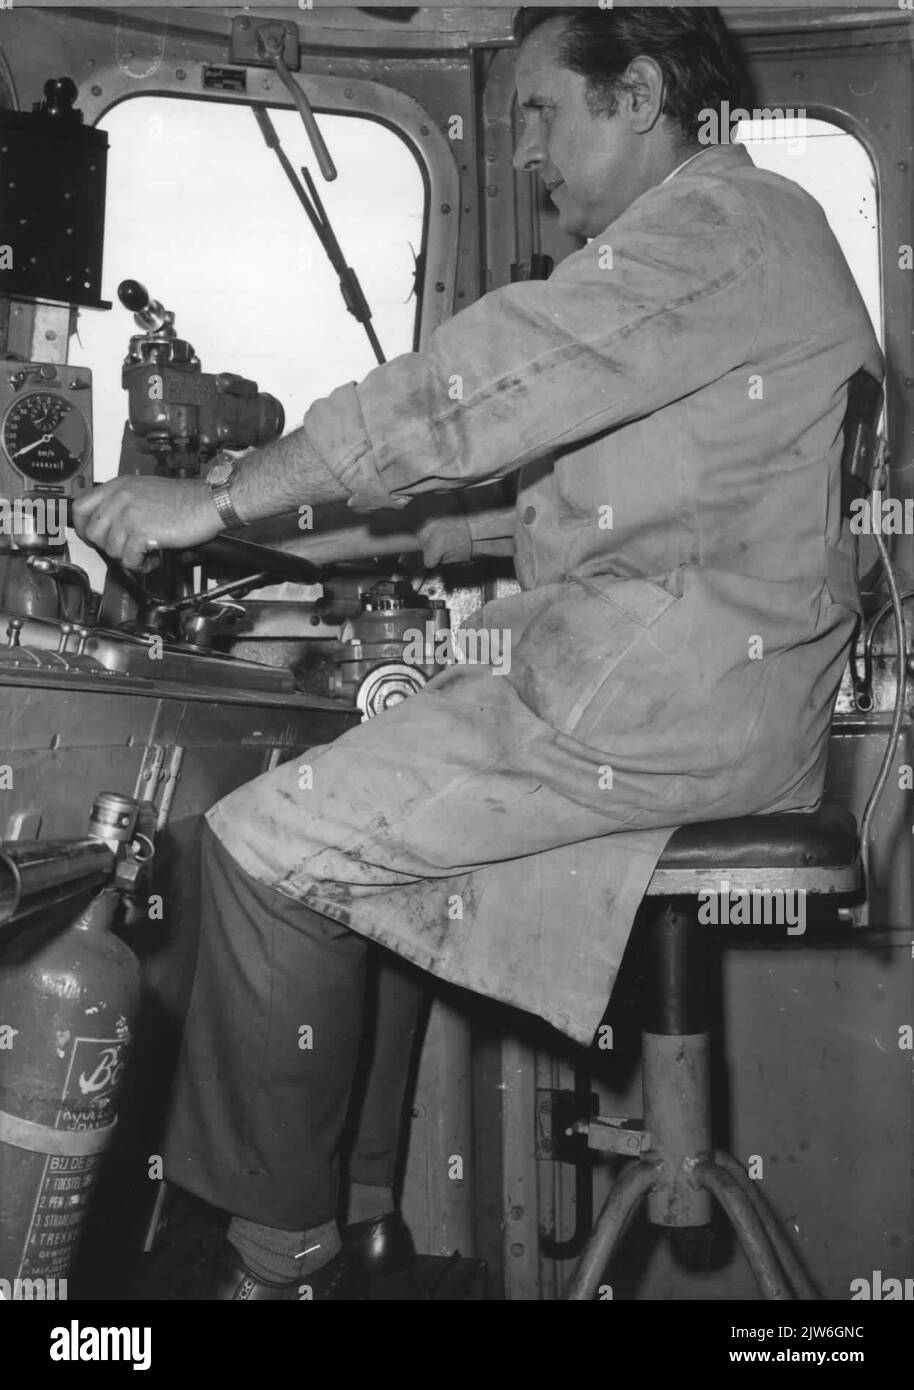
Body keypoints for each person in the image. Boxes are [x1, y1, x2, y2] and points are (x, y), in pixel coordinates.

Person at [73, 7, 881, 1300]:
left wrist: (217, 503)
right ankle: (371, 1220)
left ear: (644, 96)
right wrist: (266, 526)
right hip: (706, 699)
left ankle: (276, 1265)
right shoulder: (745, 241)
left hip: (657, 710)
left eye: (545, 112)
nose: (523, 154)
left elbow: (469, 391)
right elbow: (487, 506)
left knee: (267, 847)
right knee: (355, 858)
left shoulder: (710, 230)